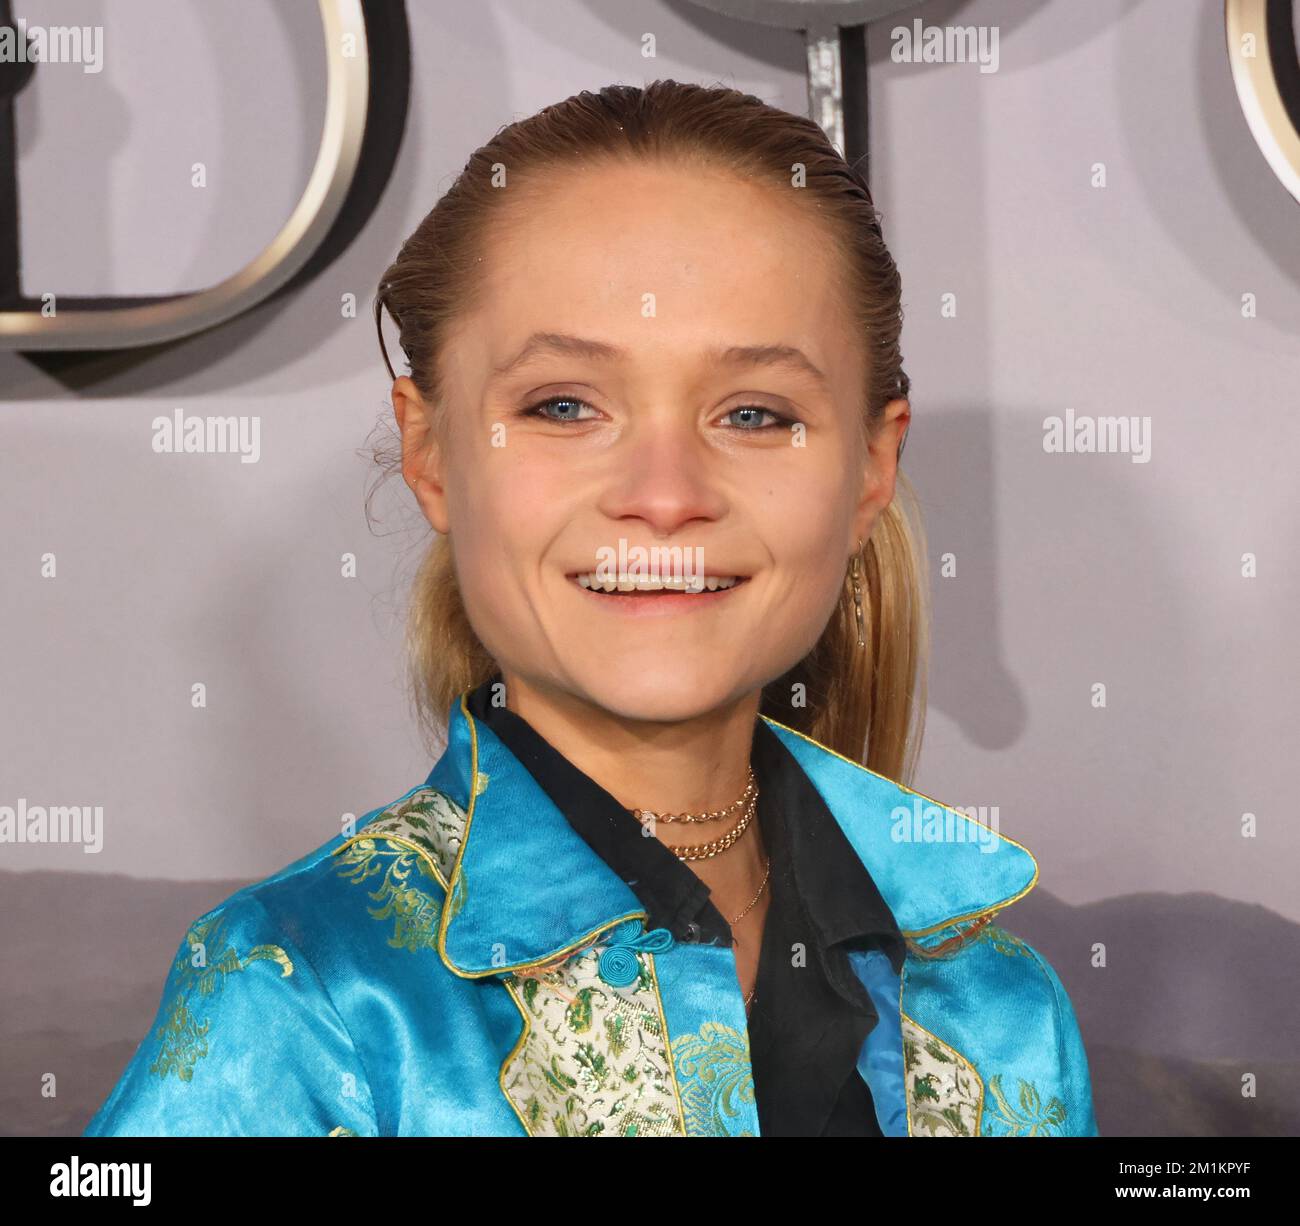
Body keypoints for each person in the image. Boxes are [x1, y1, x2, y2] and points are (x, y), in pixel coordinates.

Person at [84, 79, 1097, 1138]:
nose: (663, 494)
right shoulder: (301, 998)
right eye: (563, 405)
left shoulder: (997, 1007)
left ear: (870, 466)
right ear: (430, 451)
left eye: (754, 413)